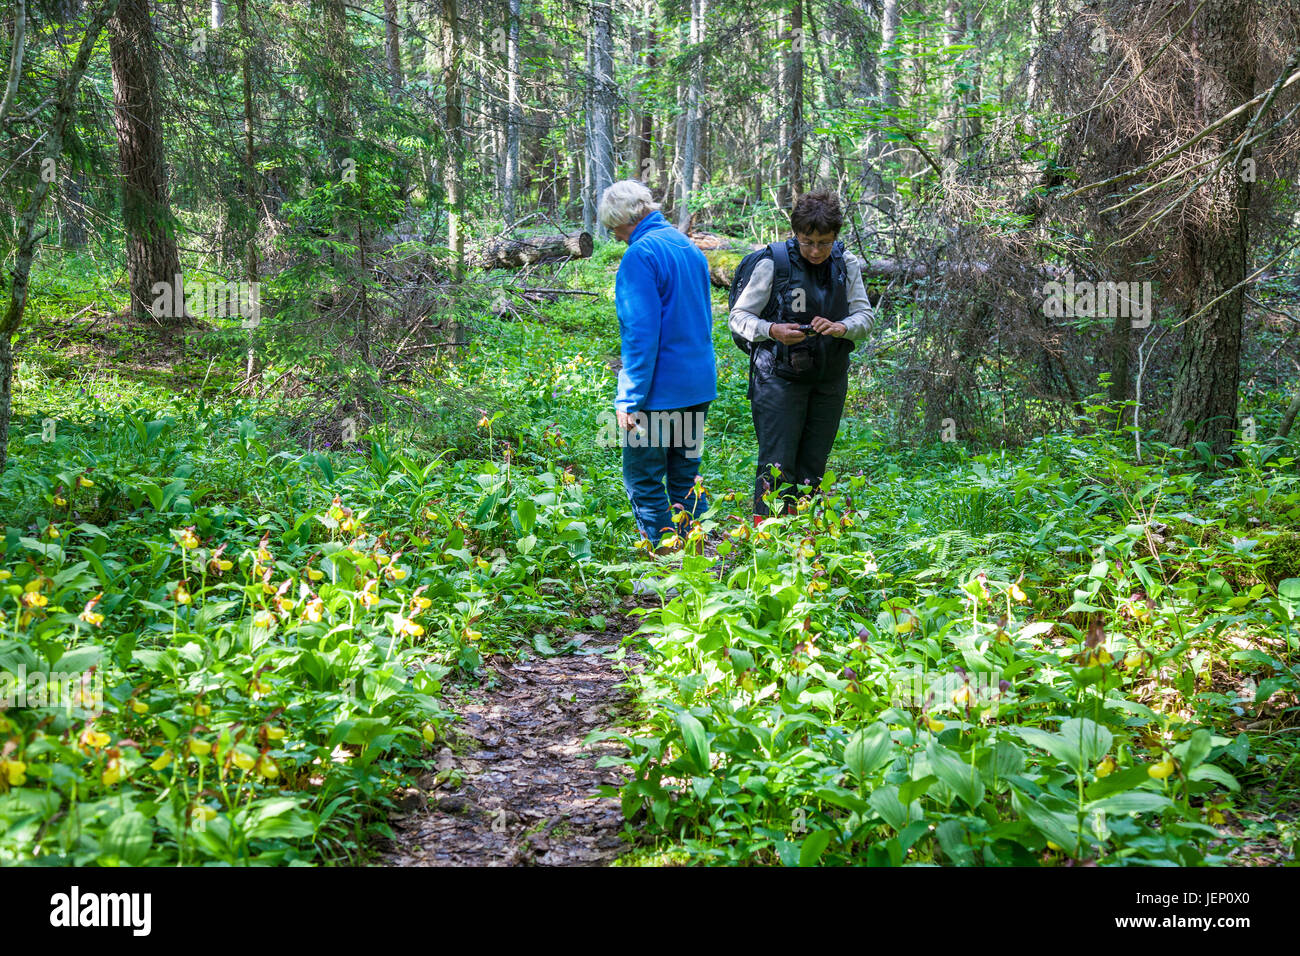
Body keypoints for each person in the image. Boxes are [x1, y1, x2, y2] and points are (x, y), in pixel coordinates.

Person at [729, 190, 873, 521]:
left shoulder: (845, 263)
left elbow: (864, 318)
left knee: (814, 463)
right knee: (777, 463)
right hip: (778, 378)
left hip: (828, 378)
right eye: (807, 241)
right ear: (795, 233)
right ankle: (767, 535)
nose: (815, 250)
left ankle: (804, 535)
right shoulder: (773, 263)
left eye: (824, 242)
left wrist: (840, 327)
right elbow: (738, 317)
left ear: (836, 236)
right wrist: (772, 330)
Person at [599, 180, 717, 547]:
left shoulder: (641, 256)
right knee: (685, 478)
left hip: (658, 394)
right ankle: (700, 557)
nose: (616, 237)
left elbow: (640, 336)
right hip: (697, 387)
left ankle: (665, 562)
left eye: (613, 228)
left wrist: (628, 399)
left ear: (623, 220)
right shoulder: (688, 248)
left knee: (645, 480)